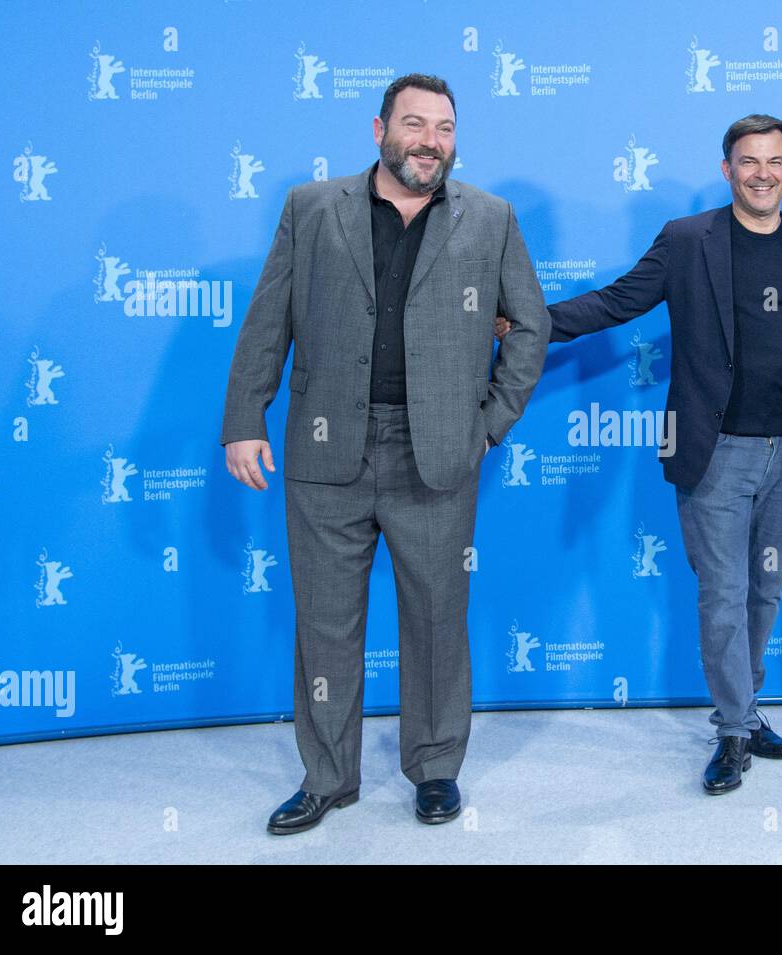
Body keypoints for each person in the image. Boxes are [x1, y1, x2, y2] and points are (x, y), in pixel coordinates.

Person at [220, 73, 550, 833]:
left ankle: (435, 766)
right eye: (414, 124)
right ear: (379, 130)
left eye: (443, 127)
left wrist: (488, 424)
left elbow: (528, 327)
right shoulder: (311, 209)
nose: (429, 140)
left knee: (437, 618)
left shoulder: (490, 217)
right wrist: (245, 418)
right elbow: (269, 318)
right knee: (325, 624)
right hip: (325, 450)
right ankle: (327, 777)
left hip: (435, 452)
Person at [501, 115, 782, 795]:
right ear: (727, 168)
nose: (762, 173)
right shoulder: (689, 241)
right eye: (748, 161)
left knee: (764, 591)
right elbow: (617, 302)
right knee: (723, 595)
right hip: (712, 452)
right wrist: (526, 323)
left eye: (774, 161)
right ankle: (734, 731)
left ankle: (746, 708)